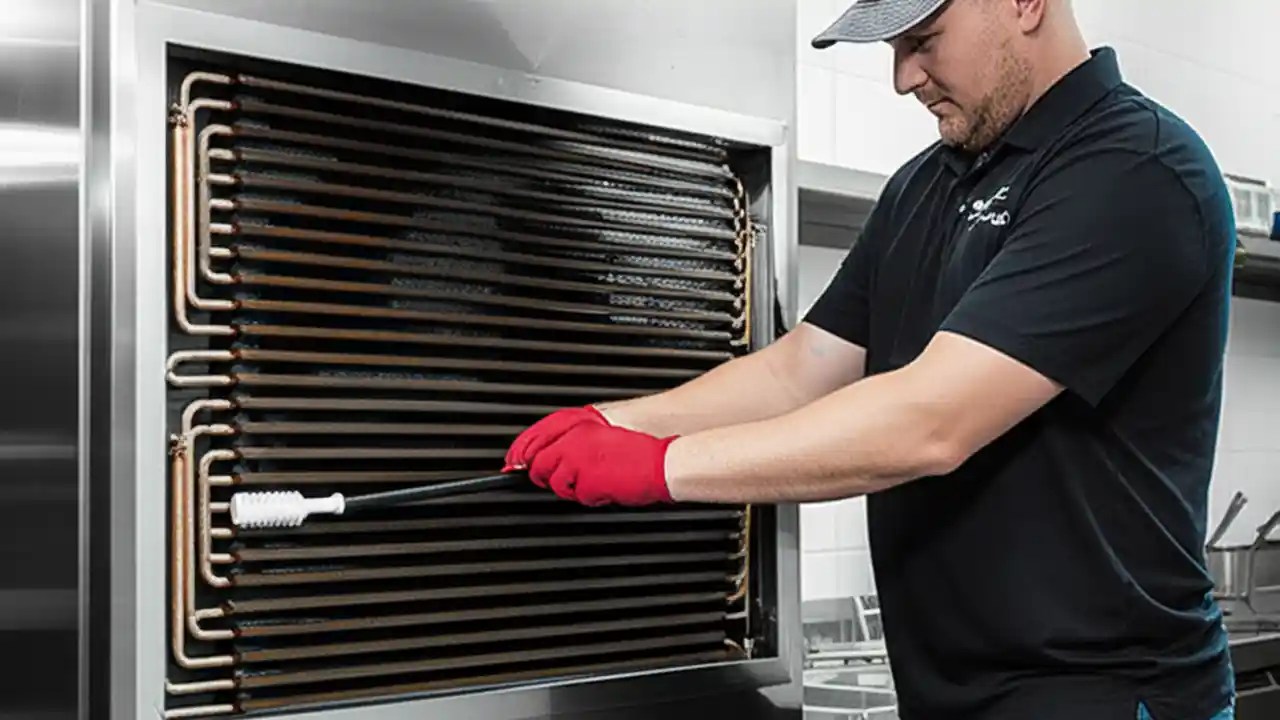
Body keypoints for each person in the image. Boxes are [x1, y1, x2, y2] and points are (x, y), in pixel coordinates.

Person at [504, 0, 1238, 718]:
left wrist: (660, 468)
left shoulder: (1135, 168)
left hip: (1107, 693)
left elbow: (931, 421)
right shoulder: (923, 186)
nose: (902, 78)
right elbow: (800, 370)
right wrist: (613, 422)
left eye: (922, 38)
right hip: (945, 694)